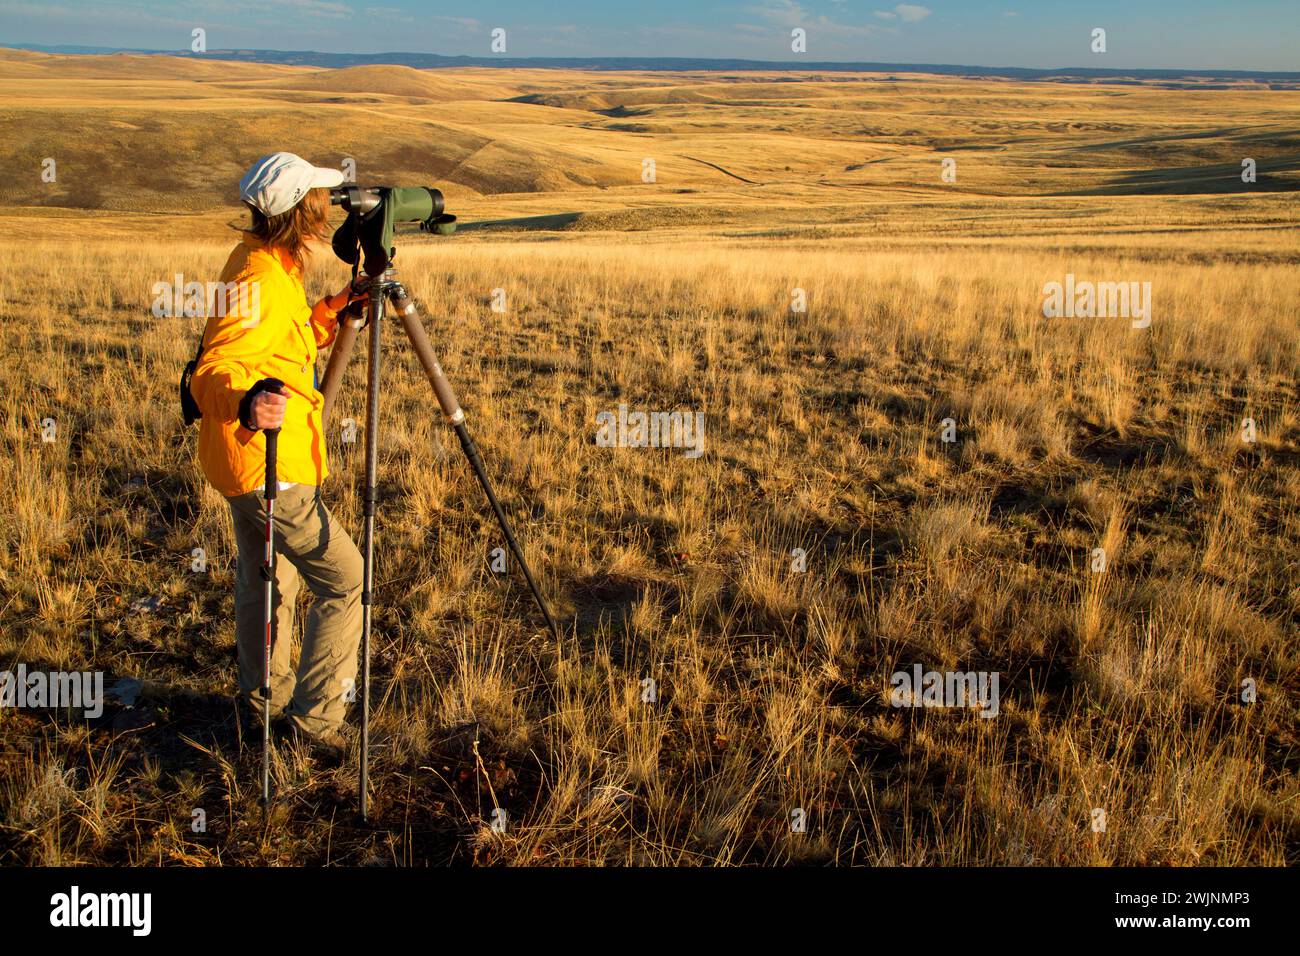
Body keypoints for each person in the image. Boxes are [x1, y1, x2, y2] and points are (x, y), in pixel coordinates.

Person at [190, 152, 366, 761]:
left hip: (249, 464)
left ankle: (262, 703)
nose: (329, 208)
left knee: (268, 581)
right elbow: (212, 371)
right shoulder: (260, 279)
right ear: (302, 211)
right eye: (319, 199)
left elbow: (282, 347)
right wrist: (244, 403)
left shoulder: (268, 262)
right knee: (346, 580)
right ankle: (316, 723)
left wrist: (333, 312)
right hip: (271, 466)